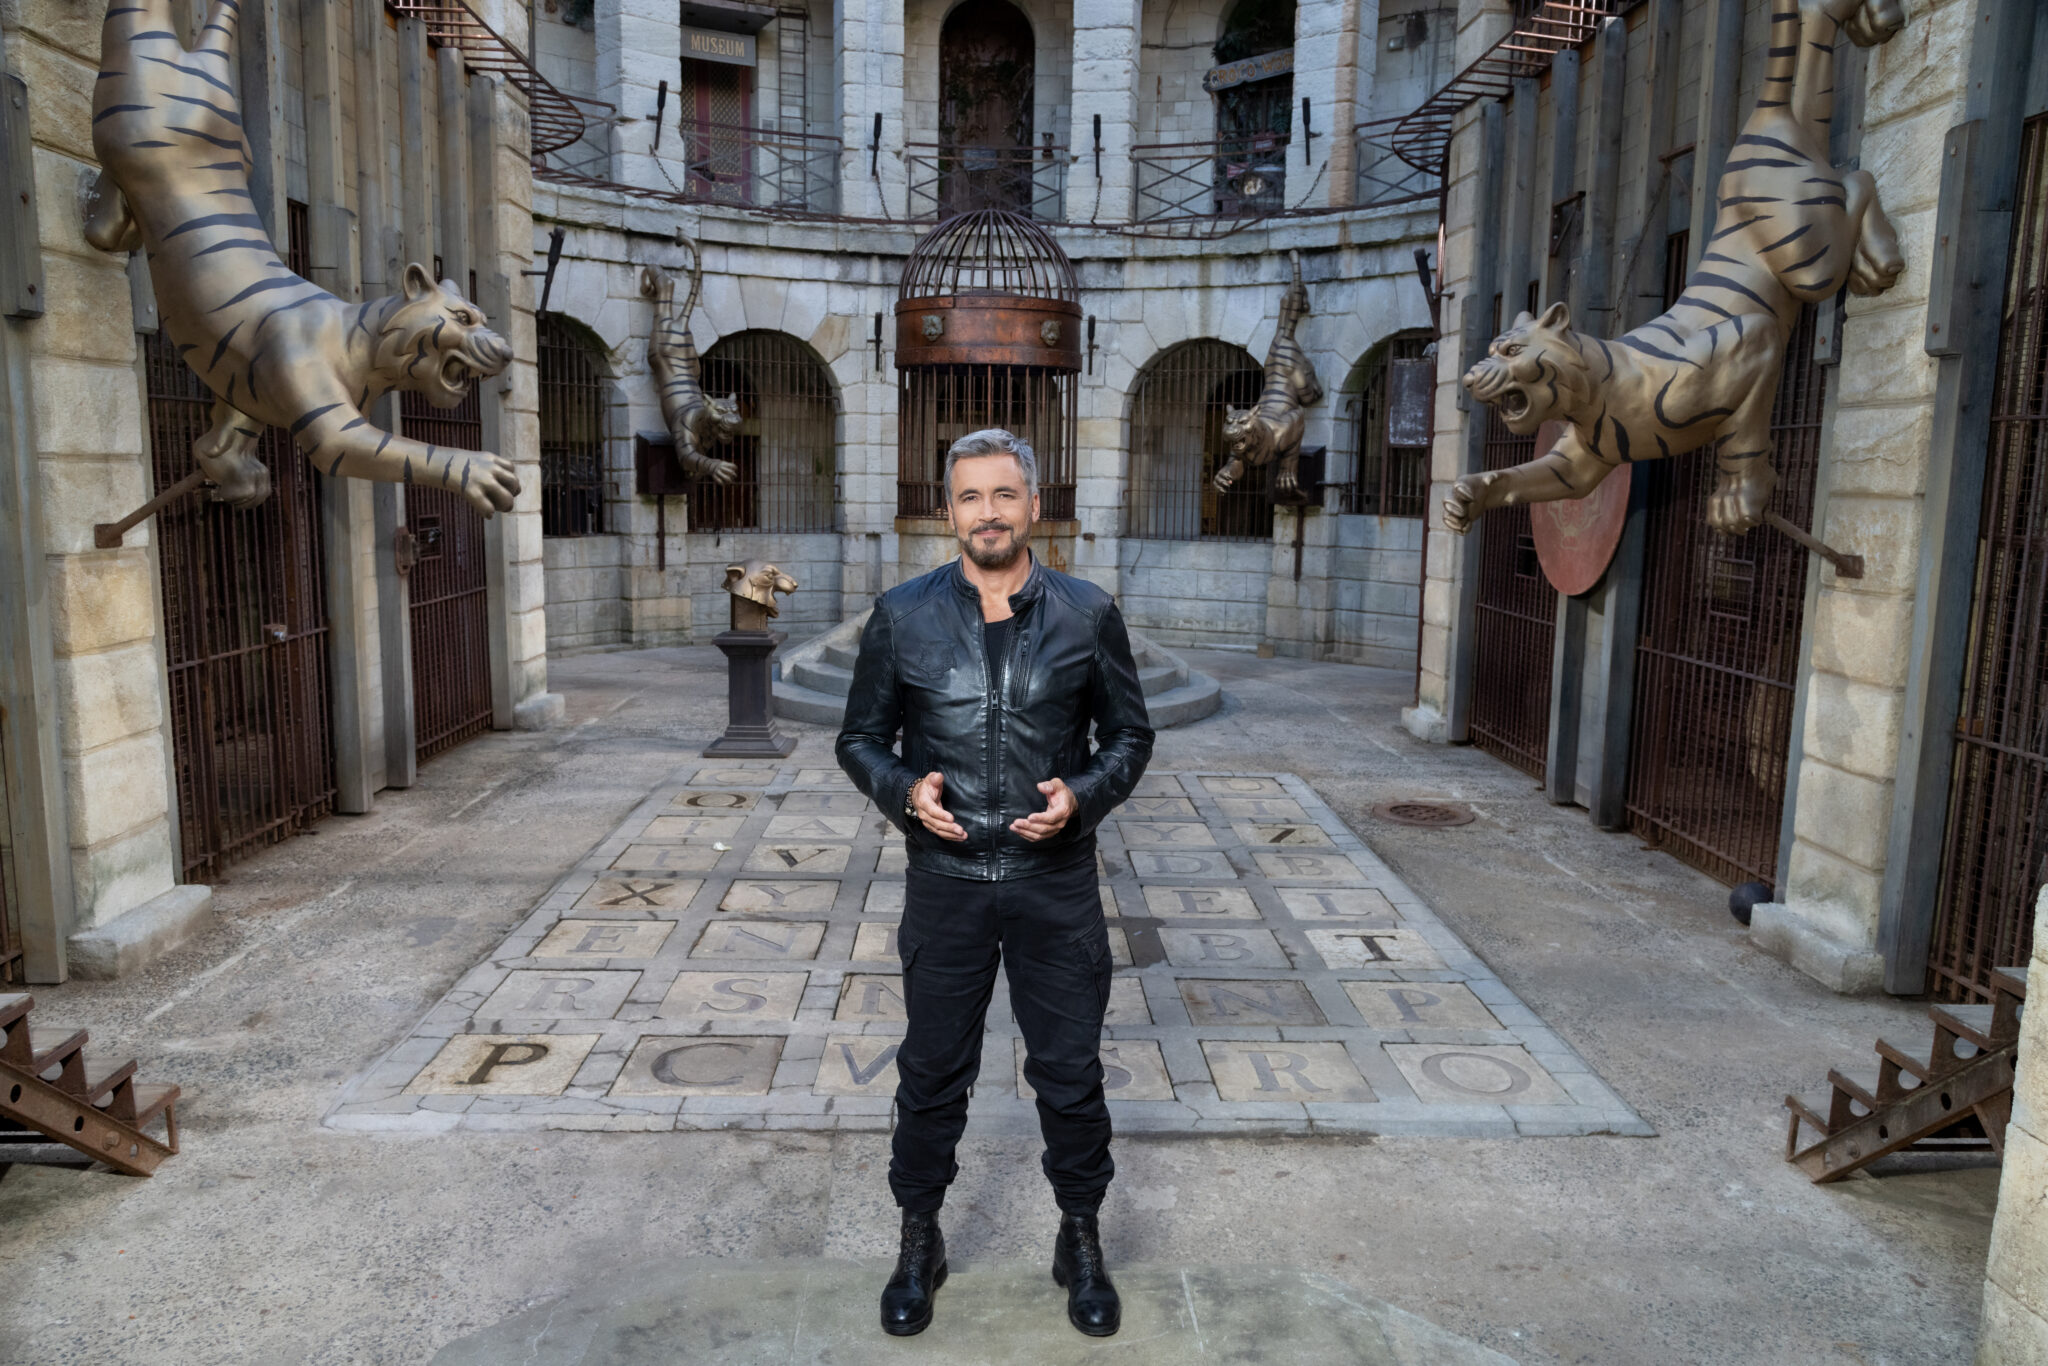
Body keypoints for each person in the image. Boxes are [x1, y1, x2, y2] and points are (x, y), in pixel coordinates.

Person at [837, 428, 1155, 1339]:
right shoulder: (902, 615)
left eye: (1004, 495)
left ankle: (1080, 1240)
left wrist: (1083, 797)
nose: (988, 513)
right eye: (971, 497)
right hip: (947, 882)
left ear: (1033, 506)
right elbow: (859, 739)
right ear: (950, 512)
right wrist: (905, 792)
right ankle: (919, 1239)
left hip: (1055, 884)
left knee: (1070, 1073)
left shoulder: (1088, 613)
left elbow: (1130, 738)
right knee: (932, 1072)